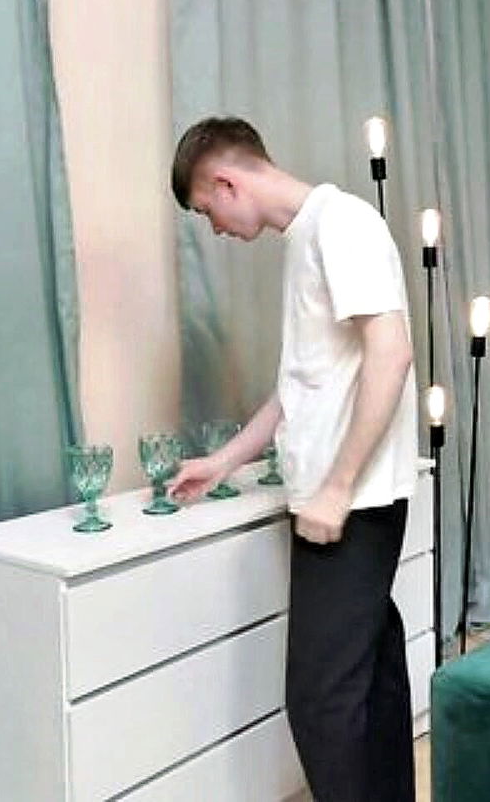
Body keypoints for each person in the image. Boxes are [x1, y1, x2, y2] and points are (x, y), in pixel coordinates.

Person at [165, 116, 419, 801]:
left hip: (352, 506)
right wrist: (223, 461)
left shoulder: (343, 224)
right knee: (375, 676)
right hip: (336, 500)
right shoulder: (307, 238)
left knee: (319, 702)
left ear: (226, 180)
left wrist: (336, 489)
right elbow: (300, 386)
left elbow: (390, 354)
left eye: (206, 210)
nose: (214, 228)